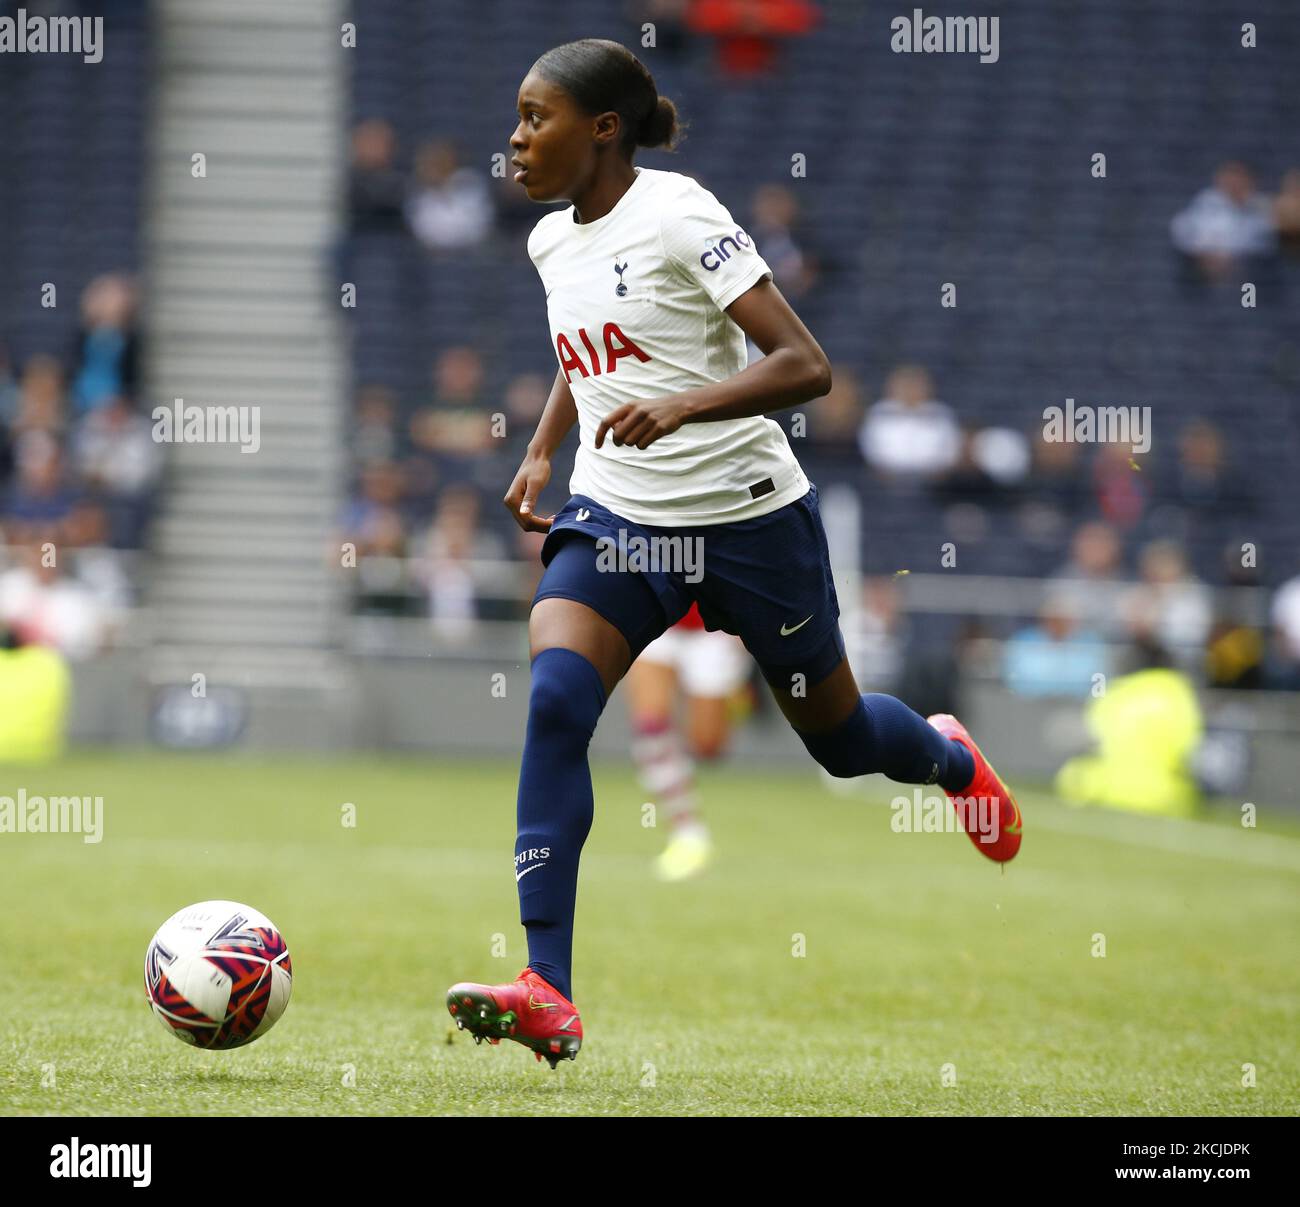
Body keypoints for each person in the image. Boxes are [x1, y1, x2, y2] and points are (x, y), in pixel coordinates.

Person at [445, 39, 1022, 1069]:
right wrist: (541, 450)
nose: (517, 138)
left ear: (604, 128)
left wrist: (685, 405)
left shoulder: (680, 214)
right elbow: (590, 351)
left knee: (841, 741)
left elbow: (807, 365)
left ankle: (945, 754)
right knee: (554, 701)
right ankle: (547, 986)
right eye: (518, 117)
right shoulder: (548, 245)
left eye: (537, 117)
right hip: (619, 516)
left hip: (750, 520)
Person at [626, 600, 753, 880]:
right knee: (651, 725)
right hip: (657, 618)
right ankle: (688, 833)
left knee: (708, 747)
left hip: (714, 628)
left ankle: (733, 694)